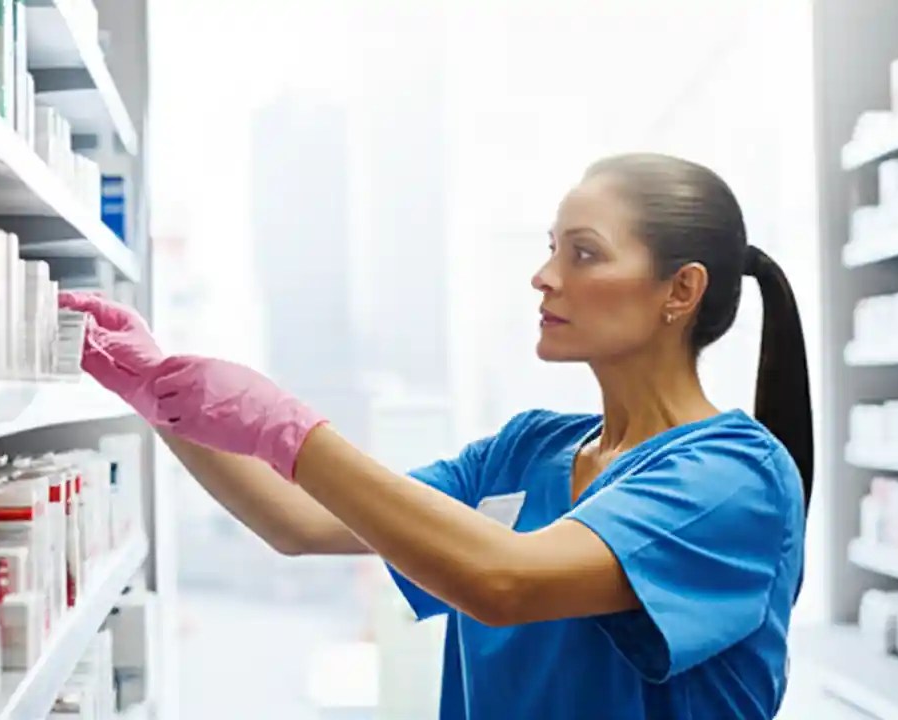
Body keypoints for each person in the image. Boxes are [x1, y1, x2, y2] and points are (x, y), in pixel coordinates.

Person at [62, 152, 813, 720]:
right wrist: (158, 393)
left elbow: (504, 582)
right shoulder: (527, 451)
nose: (545, 276)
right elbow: (301, 522)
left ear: (680, 290)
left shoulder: (733, 476)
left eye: (583, 253)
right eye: (552, 247)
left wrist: (286, 427)